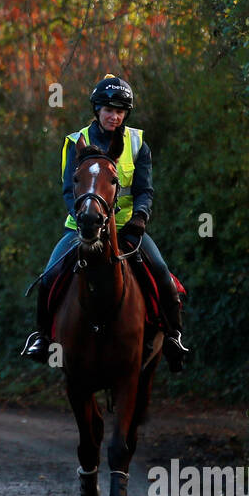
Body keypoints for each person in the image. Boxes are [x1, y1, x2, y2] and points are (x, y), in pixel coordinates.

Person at [20, 74, 189, 372]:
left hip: (127, 229)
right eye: (109, 109)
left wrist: (140, 217)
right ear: (97, 110)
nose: (115, 116)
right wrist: (84, 218)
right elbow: (68, 188)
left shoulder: (138, 144)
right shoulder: (75, 142)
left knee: (163, 274)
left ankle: (174, 337)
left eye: (120, 111)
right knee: (49, 277)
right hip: (82, 228)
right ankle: (43, 337)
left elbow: (144, 190)